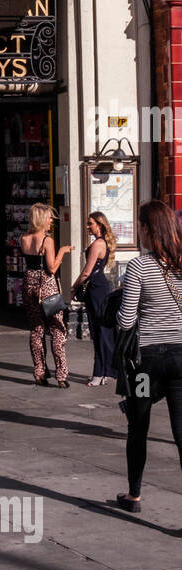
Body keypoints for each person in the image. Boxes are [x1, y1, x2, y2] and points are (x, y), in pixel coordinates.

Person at [115, 200, 182, 514]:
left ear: (146, 228)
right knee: (181, 433)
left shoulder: (139, 266)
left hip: (147, 362)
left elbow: (126, 320)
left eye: (140, 226)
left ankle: (134, 495)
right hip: (181, 358)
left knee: (138, 426)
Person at [20, 203, 71, 387]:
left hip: (28, 284)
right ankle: (61, 375)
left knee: (36, 329)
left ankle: (39, 372)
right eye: (49, 217)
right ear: (41, 218)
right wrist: (62, 252)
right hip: (46, 286)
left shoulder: (23, 238)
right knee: (57, 329)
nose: (51, 221)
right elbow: (52, 268)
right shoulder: (47, 240)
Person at [71, 212, 117, 386]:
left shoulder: (98, 243)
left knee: (99, 332)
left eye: (90, 224)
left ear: (99, 224)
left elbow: (86, 271)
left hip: (96, 289)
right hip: (97, 288)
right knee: (100, 331)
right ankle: (105, 372)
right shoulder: (101, 242)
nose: (88, 227)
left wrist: (73, 287)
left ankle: (100, 373)